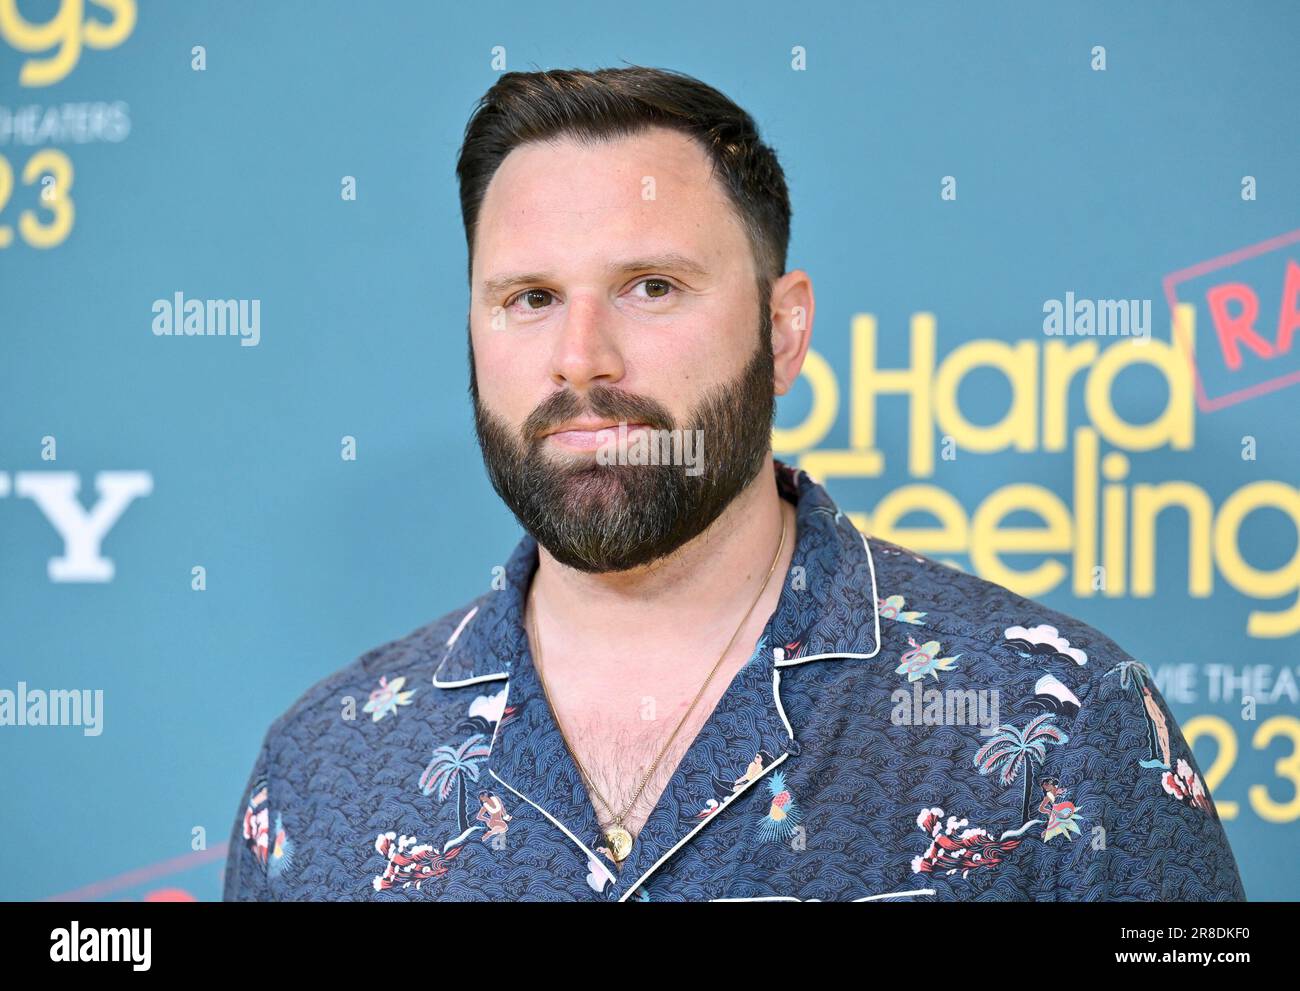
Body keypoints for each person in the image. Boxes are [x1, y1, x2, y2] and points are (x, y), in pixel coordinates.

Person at [223, 66, 1245, 902]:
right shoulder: (325, 771)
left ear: (782, 329)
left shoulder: (1058, 717)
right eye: (529, 297)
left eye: (651, 287)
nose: (581, 361)